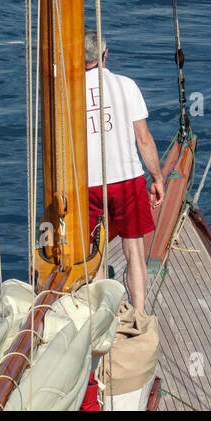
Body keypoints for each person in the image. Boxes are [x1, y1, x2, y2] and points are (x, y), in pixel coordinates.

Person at [84, 31, 165, 313]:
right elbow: (143, 139)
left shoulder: (66, 89)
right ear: (105, 55)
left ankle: (97, 317)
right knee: (135, 254)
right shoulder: (126, 85)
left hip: (87, 184)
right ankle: (139, 315)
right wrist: (157, 178)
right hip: (127, 180)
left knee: (93, 255)